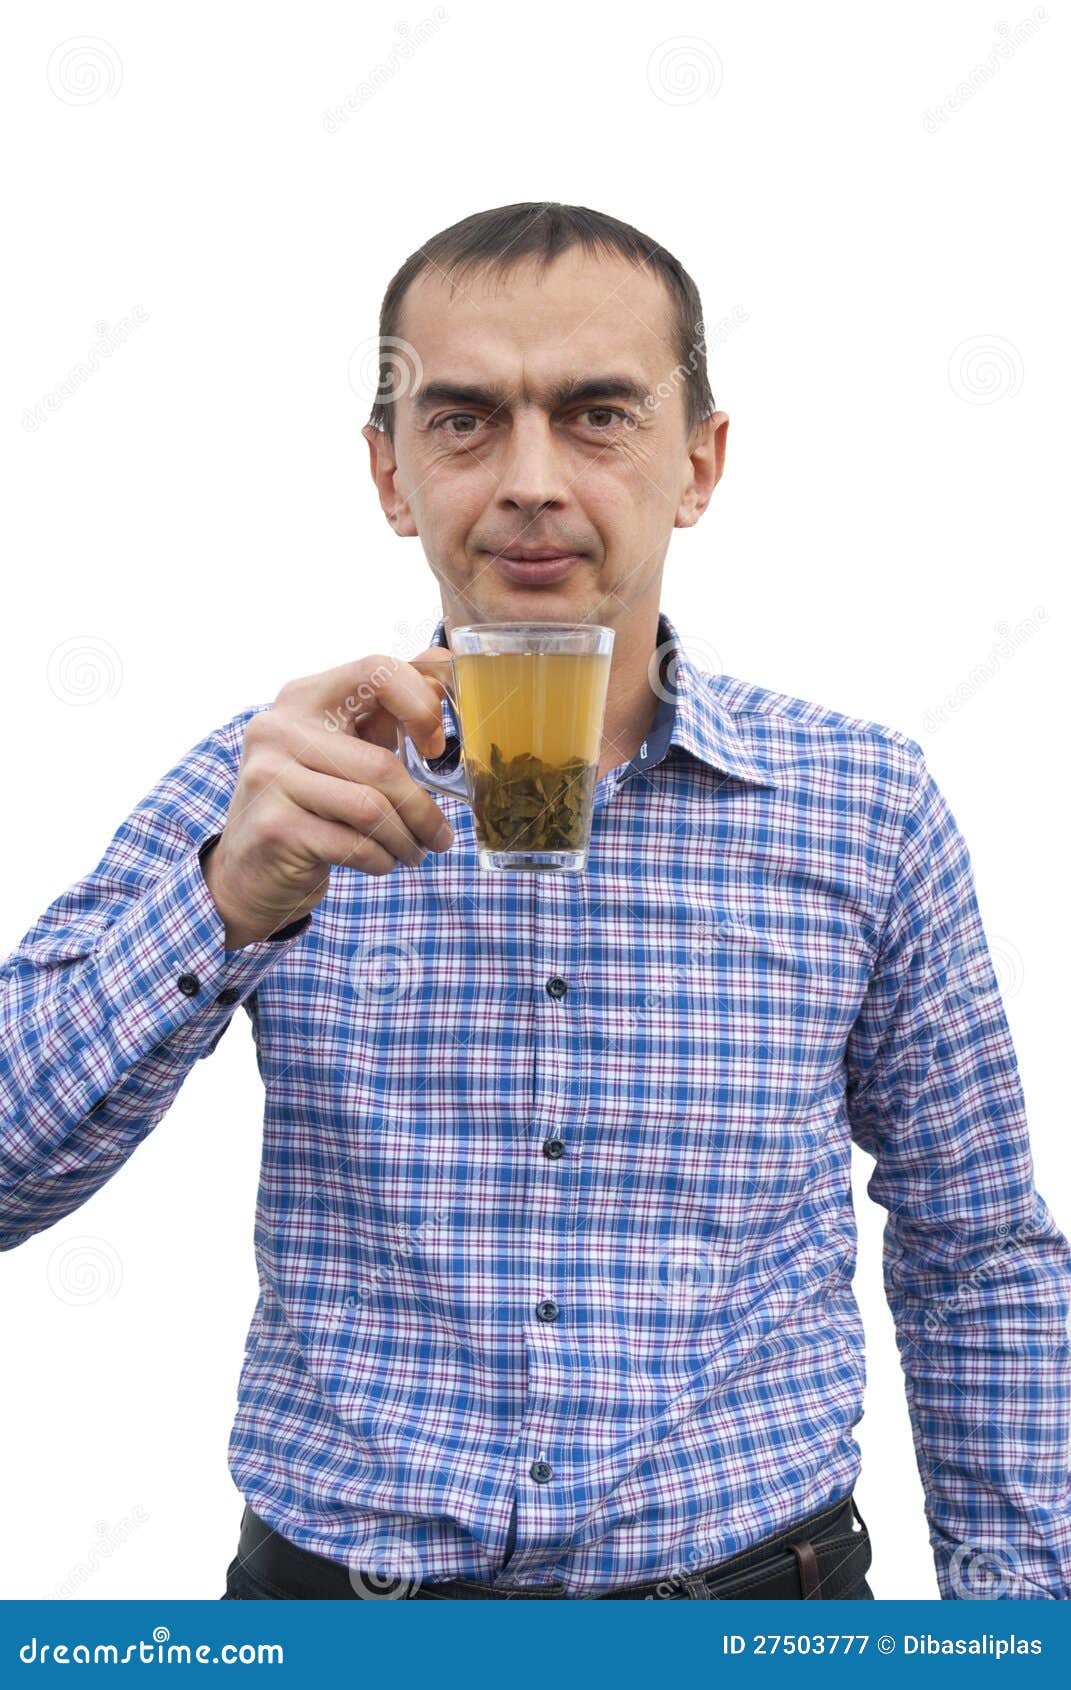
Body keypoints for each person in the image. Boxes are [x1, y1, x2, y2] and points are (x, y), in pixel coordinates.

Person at [3, 202, 1069, 1602]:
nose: (529, 481)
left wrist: (1020, 1631)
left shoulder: (863, 804)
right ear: (391, 475)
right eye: (463, 421)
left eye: (596, 415)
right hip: (346, 1626)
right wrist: (225, 901)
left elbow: (975, 1248)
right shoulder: (274, 789)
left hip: (752, 1619)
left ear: (699, 464)